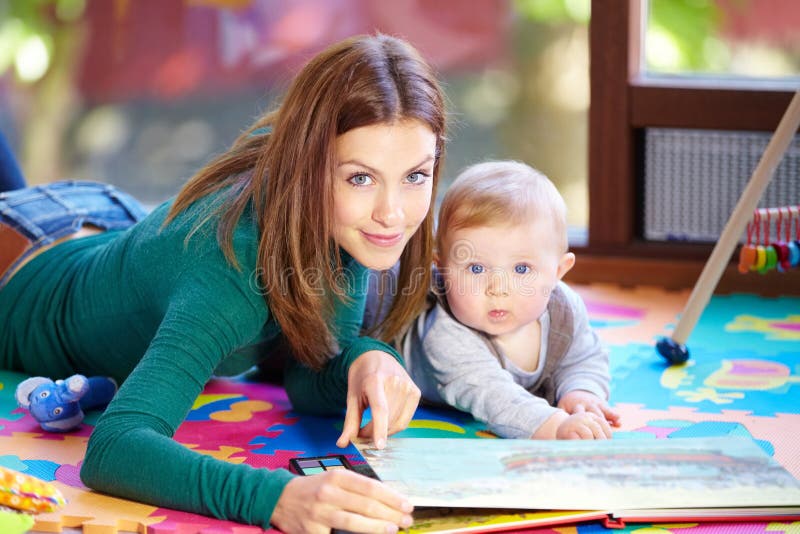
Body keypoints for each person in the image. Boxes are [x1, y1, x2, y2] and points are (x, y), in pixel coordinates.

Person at [0, 33, 446, 533]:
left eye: (415, 176)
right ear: (308, 165)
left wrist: (368, 358)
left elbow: (309, 375)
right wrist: (279, 498)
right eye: (360, 178)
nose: (393, 214)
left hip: (105, 221)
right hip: (16, 268)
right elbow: (114, 448)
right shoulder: (230, 272)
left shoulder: (346, 213)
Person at [394, 160, 621, 440]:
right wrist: (554, 425)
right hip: (386, 332)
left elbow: (584, 357)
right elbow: (495, 397)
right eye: (476, 268)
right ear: (442, 269)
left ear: (557, 272)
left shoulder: (564, 310)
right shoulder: (446, 335)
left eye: (521, 269)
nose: (498, 289)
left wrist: (582, 390)